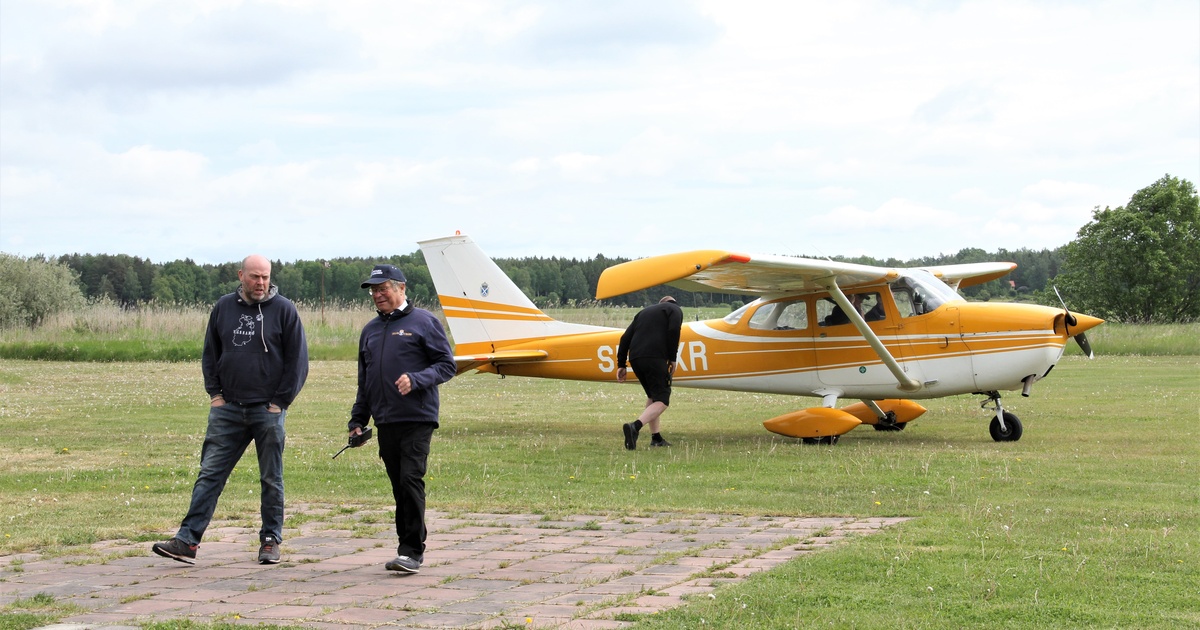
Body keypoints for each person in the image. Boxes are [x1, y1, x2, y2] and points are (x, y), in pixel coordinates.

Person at [153, 255, 309, 565]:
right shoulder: (224, 307)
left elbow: (298, 362)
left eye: (265, 277)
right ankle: (187, 541)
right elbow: (210, 353)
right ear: (241, 275)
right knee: (210, 474)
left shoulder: (285, 311)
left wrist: (280, 402)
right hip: (228, 410)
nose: (260, 283)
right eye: (254, 277)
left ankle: (270, 540)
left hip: (268, 411)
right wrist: (215, 394)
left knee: (270, 478)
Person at [349, 264, 457, 574]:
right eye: (373, 290)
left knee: (411, 478)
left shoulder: (424, 322)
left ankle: (412, 551)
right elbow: (365, 380)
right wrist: (358, 419)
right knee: (399, 485)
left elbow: (446, 365)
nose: (377, 294)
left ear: (401, 289)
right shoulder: (370, 330)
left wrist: (417, 379)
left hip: (417, 417)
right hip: (386, 420)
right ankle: (406, 548)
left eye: (383, 288)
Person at [616, 296, 683, 450]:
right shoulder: (675, 309)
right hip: (655, 357)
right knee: (663, 400)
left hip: (636, 358)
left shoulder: (644, 312)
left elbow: (625, 338)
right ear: (673, 302)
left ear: (660, 304)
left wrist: (621, 364)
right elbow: (673, 330)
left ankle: (656, 438)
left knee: (653, 396)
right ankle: (635, 426)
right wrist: (672, 358)